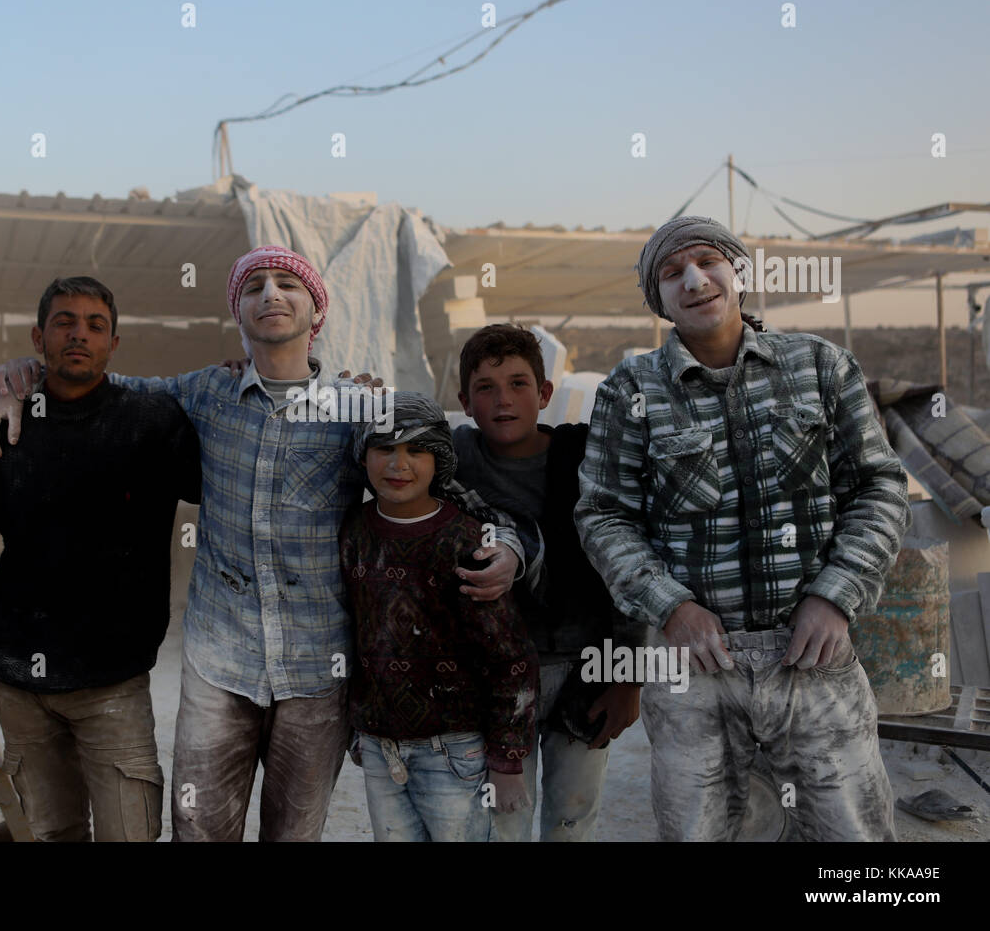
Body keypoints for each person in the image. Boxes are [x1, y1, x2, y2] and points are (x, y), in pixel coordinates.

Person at [0, 245, 529, 841]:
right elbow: (91, 382)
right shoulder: (203, 393)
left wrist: (512, 548)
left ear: (315, 312)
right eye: (253, 287)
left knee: (292, 835)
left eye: (287, 285)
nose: (270, 295)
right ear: (237, 314)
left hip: (316, 671)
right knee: (199, 829)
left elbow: (457, 496)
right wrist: (19, 376)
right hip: (221, 664)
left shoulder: (361, 409)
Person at [575, 215, 911, 841]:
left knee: (854, 840)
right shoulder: (630, 390)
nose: (694, 280)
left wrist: (834, 598)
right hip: (694, 665)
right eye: (671, 274)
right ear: (659, 300)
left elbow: (879, 487)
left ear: (738, 272)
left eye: (708, 262)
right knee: (698, 832)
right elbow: (603, 514)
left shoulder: (820, 366)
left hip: (813, 654)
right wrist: (671, 608)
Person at [0, 276, 201, 841]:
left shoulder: (153, 421)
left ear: (114, 345)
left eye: (96, 326)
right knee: (48, 834)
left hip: (112, 681)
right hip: (19, 675)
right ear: (38, 336)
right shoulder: (9, 420)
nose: (80, 334)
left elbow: (206, 484)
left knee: (130, 834)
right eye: (64, 321)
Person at [453, 323, 644, 842]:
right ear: (465, 402)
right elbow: (381, 450)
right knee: (502, 818)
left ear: (544, 394)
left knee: (572, 815)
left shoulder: (585, 460)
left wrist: (629, 678)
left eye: (518, 384)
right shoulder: (455, 458)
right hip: (493, 676)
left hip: (585, 667)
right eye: (485, 388)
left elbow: (628, 566)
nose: (503, 400)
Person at [343, 392, 537, 841]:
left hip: (453, 750)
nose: (398, 464)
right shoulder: (353, 531)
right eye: (385, 449)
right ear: (364, 456)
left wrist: (508, 759)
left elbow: (510, 657)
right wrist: (359, 726)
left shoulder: (465, 540)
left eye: (416, 450)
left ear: (440, 460)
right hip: (379, 748)